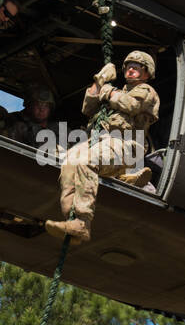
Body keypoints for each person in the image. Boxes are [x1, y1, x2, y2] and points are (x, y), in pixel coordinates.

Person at [45, 51, 159, 245]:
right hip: (100, 142)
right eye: (129, 66)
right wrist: (99, 82)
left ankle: (82, 221)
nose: (131, 69)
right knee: (69, 162)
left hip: (126, 144)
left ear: (146, 73)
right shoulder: (112, 90)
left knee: (86, 162)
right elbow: (87, 109)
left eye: (137, 67)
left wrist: (107, 91)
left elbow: (130, 105)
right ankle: (71, 219)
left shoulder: (146, 91)